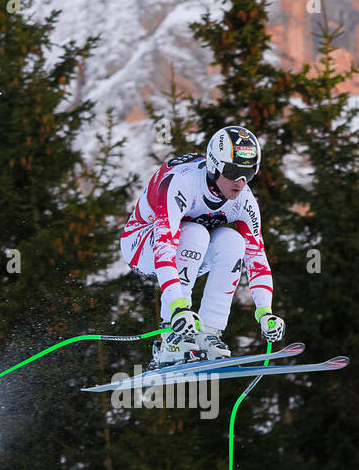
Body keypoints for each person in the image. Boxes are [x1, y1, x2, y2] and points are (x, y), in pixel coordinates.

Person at [120, 124, 286, 367]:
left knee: (232, 241)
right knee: (195, 233)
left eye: (248, 173)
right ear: (214, 165)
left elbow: (257, 258)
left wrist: (265, 313)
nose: (240, 182)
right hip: (141, 246)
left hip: (187, 252)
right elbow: (165, 247)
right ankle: (173, 338)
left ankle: (209, 333)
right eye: (232, 171)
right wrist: (178, 308)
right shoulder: (181, 183)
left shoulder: (244, 200)